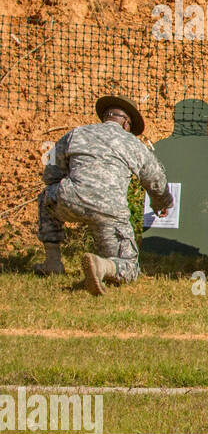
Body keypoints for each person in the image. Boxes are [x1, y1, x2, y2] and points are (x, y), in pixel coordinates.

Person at [35, 95, 174, 295]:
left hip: (70, 200)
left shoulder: (76, 133)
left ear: (105, 117)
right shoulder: (133, 144)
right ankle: (103, 266)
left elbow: (50, 173)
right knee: (128, 267)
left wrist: (73, 186)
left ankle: (53, 261)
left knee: (46, 196)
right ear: (126, 124)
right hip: (110, 212)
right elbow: (155, 179)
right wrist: (161, 202)